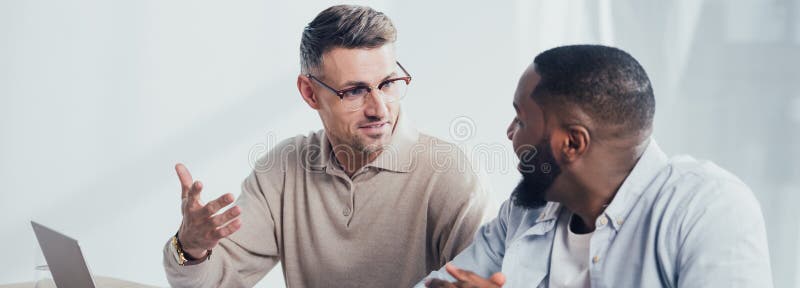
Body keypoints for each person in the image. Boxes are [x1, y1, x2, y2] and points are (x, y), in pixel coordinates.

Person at [162, 5, 486, 287]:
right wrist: (190, 246)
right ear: (309, 93)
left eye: (388, 84)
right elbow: (210, 282)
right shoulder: (283, 171)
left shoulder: (448, 173)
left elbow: (492, 278)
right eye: (355, 91)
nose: (379, 108)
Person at [420, 45, 773, 288]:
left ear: (572, 143)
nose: (510, 133)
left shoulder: (707, 209)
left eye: (521, 119)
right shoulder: (525, 211)